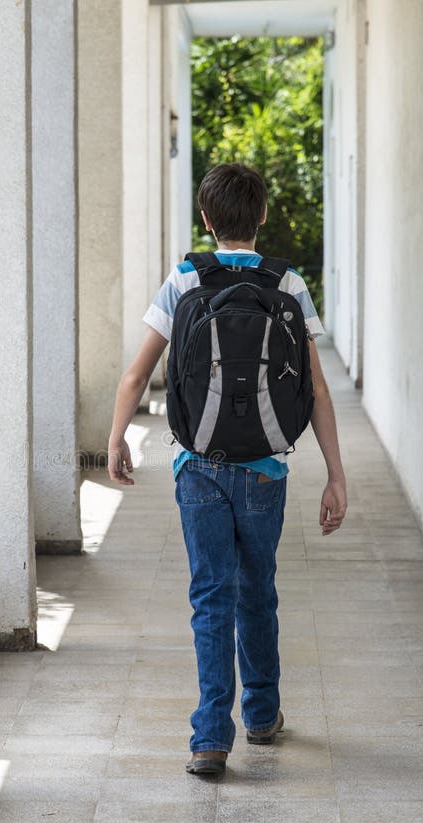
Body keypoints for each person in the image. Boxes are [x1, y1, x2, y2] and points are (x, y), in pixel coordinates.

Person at [108, 163, 347, 775]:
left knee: (210, 596)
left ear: (207, 221)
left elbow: (137, 374)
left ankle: (210, 738)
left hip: (200, 467)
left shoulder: (185, 278)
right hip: (266, 468)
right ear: (262, 216)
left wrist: (117, 439)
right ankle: (263, 714)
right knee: (257, 592)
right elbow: (317, 391)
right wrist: (335, 475)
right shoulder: (287, 282)